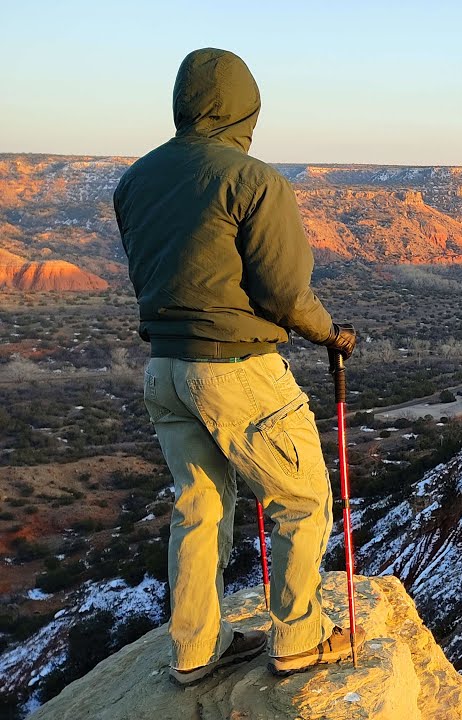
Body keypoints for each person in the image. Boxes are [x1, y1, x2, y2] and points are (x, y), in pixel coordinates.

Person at [114, 47, 363, 684]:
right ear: (246, 107)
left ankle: (195, 650)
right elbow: (284, 293)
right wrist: (330, 334)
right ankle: (300, 639)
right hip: (236, 370)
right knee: (301, 500)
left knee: (197, 509)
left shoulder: (135, 181)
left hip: (165, 370)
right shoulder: (253, 180)